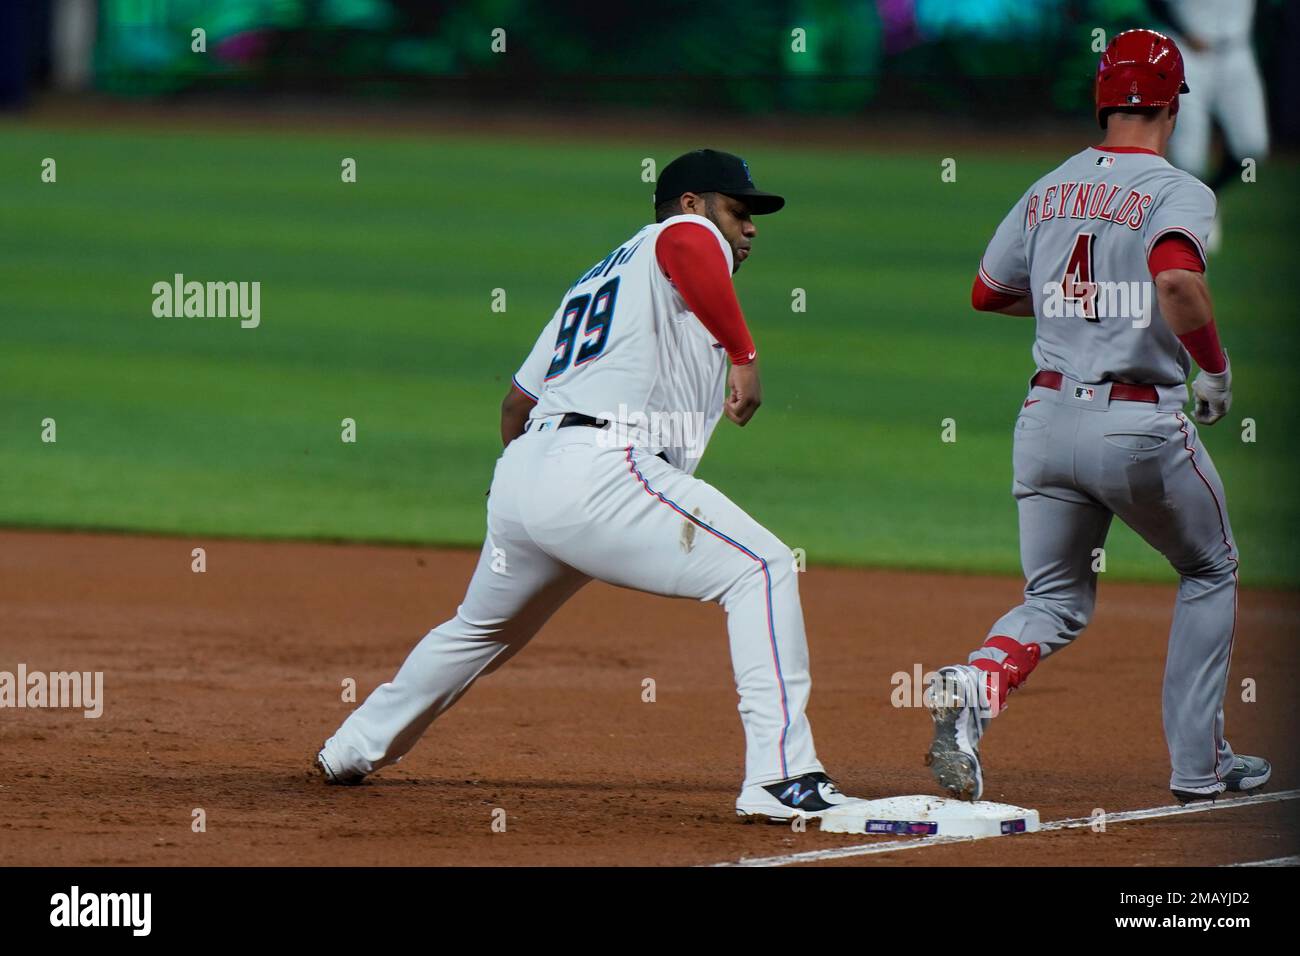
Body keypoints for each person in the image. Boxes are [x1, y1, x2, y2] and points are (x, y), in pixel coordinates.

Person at [316, 149, 869, 821]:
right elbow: (693, 251)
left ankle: (352, 747)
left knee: (479, 630)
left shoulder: (597, 281)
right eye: (739, 211)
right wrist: (744, 357)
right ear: (694, 203)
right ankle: (782, 779)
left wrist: (530, 493)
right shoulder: (681, 235)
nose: (749, 229)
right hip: (601, 464)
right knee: (763, 568)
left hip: (528, 473)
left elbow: (515, 403)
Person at [925, 30, 1270, 805]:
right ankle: (1199, 768)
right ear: (1176, 104)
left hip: (1044, 422)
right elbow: (1178, 282)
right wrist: (1213, 370)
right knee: (1210, 568)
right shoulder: (1180, 189)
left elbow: (987, 290)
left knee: (1055, 599)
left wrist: (1074, 314)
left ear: (1102, 100)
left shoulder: (1049, 186)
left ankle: (976, 685)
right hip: (1137, 428)